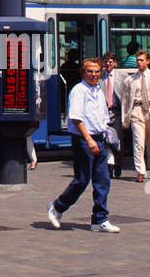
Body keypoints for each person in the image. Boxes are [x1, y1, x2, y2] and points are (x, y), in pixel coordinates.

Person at [47, 57, 120, 233]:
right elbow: (76, 118)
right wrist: (89, 140)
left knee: (103, 180)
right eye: (90, 71)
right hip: (83, 140)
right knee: (81, 180)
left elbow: (103, 117)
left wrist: (104, 137)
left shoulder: (98, 91)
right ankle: (57, 206)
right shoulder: (79, 91)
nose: (94, 75)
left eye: (97, 71)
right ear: (83, 73)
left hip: (99, 139)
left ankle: (99, 219)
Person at [121, 49, 150, 184]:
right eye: (137, 61)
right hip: (137, 110)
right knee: (138, 143)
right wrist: (125, 119)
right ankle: (140, 171)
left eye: (141, 60)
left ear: (148, 61)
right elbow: (125, 100)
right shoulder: (130, 79)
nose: (139, 63)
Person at [101, 52, 126, 179]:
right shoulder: (99, 77)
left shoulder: (123, 76)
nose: (108, 64)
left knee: (117, 142)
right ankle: (109, 167)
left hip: (117, 112)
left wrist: (125, 117)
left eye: (110, 62)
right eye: (106, 62)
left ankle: (118, 164)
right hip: (104, 112)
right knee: (107, 141)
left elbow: (127, 97)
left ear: (115, 63)